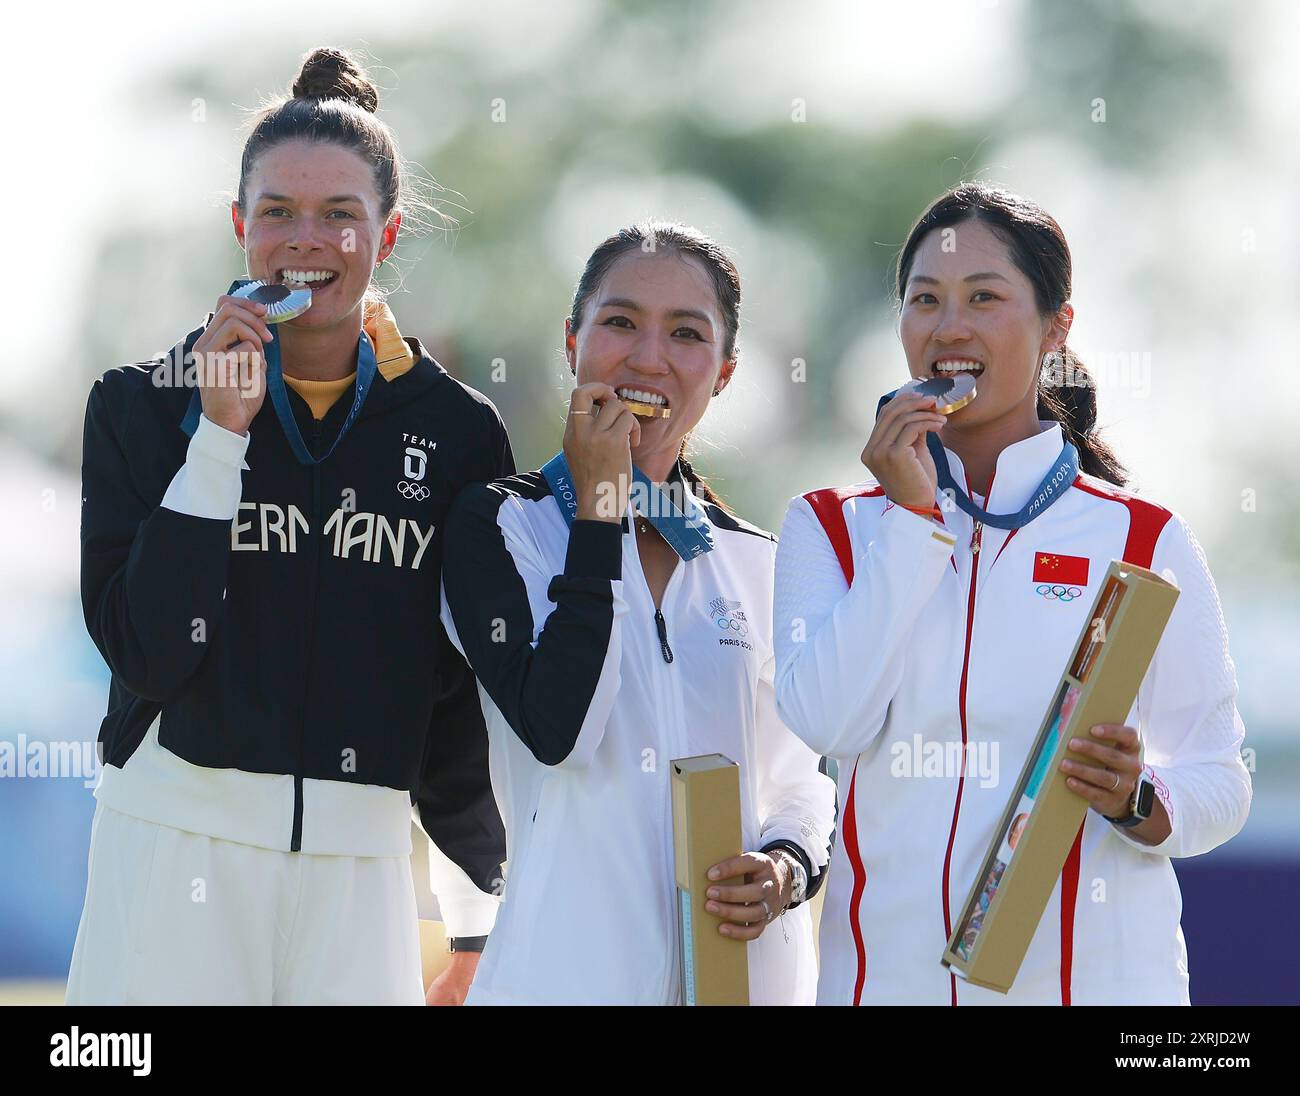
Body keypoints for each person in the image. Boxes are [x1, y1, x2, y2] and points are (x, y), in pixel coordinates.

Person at [68, 48, 512, 1005]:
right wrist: (219, 437)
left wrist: (476, 909)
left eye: (339, 215)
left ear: (384, 234)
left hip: (361, 876)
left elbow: (453, 688)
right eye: (276, 212)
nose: (305, 239)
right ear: (240, 226)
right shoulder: (140, 404)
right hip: (175, 850)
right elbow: (145, 651)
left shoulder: (459, 430)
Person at [773, 183, 1251, 1006]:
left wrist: (1140, 796)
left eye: (984, 298)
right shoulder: (832, 528)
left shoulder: (1144, 538)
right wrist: (916, 521)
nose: (949, 327)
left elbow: (1222, 780)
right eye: (924, 300)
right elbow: (827, 721)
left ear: (1056, 327)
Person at [439, 221, 835, 1005]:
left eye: (686, 334)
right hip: (557, 981)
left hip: (743, 984)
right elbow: (562, 732)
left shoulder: (760, 559)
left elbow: (803, 779)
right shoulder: (497, 525)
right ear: (572, 340)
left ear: (723, 373)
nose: (649, 357)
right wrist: (599, 511)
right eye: (620, 322)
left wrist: (787, 866)